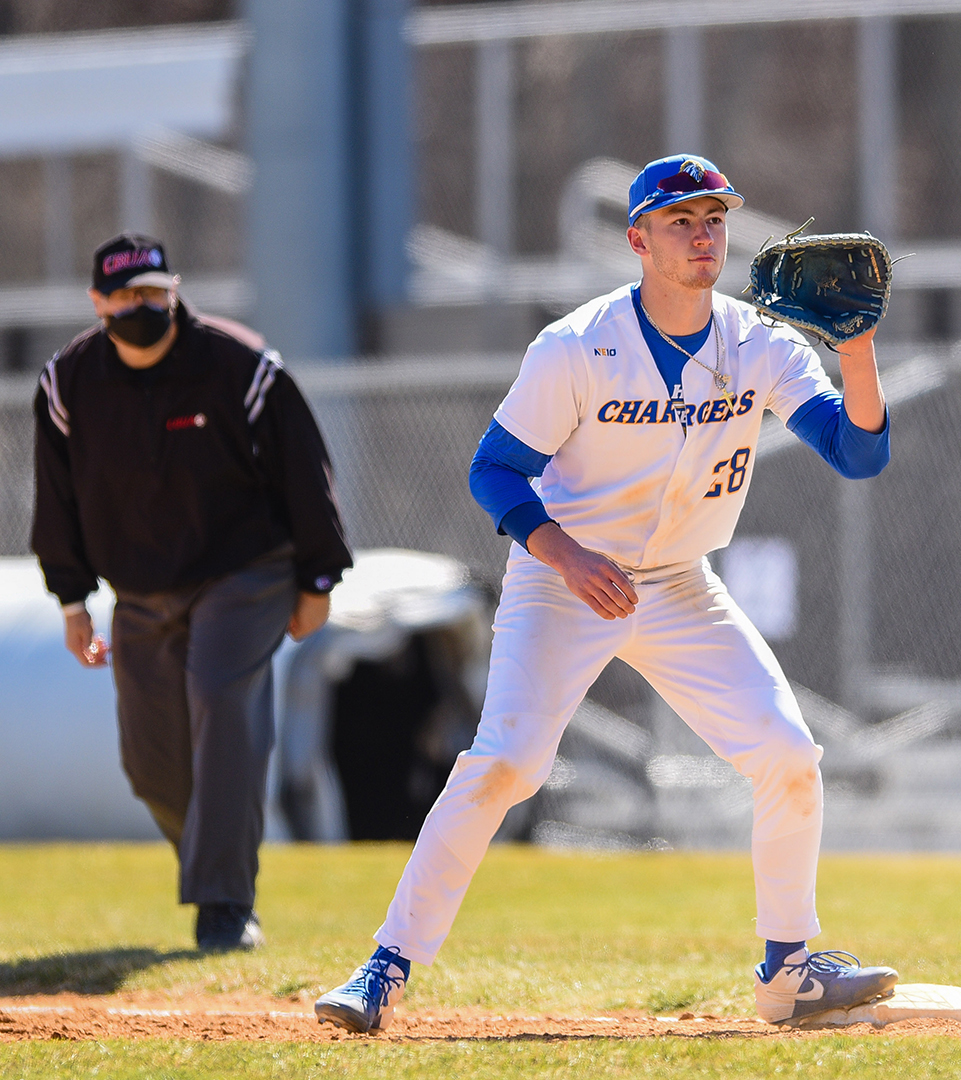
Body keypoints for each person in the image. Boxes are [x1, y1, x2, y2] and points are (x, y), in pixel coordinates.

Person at [314, 154, 899, 1034]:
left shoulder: (760, 343)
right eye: (680, 222)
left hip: (680, 585)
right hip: (565, 581)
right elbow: (495, 470)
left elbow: (860, 454)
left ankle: (791, 971)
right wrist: (565, 554)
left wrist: (855, 352)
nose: (703, 237)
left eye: (713, 220)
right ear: (637, 240)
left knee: (788, 756)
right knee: (506, 763)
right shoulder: (577, 346)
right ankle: (384, 967)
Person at [32, 232, 351, 951]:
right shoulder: (66, 383)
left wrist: (318, 577)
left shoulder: (241, 366)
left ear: (174, 291)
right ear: (98, 304)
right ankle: (213, 860)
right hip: (140, 587)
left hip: (247, 570)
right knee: (150, 762)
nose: (140, 307)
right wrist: (72, 598)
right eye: (125, 296)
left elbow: (306, 471)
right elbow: (57, 501)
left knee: (219, 693)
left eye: (154, 293)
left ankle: (226, 905)